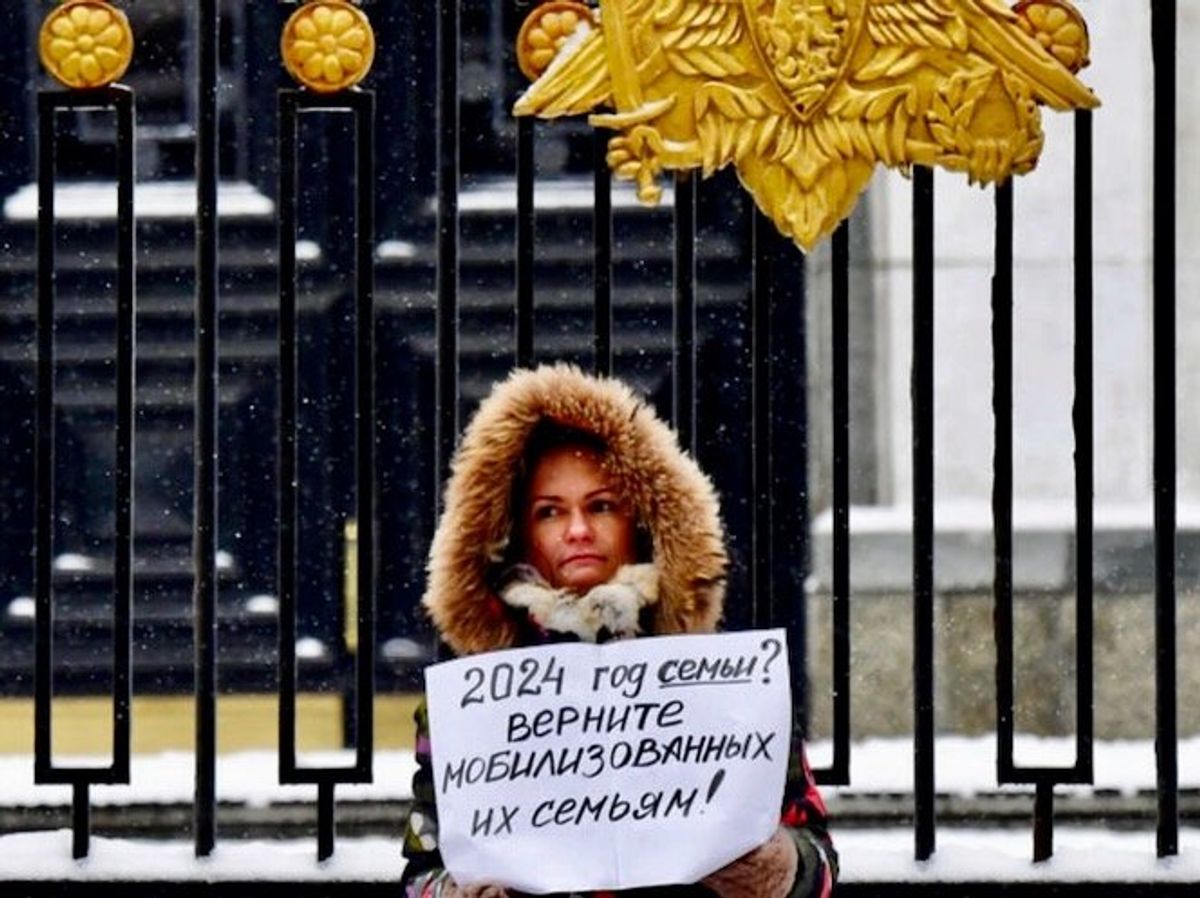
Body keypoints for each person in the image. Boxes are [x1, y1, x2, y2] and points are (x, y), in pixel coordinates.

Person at [402, 364, 837, 898]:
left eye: (602, 505)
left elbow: (817, 862)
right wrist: (461, 894)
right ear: (515, 533)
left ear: (642, 519)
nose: (578, 530)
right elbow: (423, 873)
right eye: (549, 512)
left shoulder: (730, 683)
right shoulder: (469, 701)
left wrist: (778, 868)